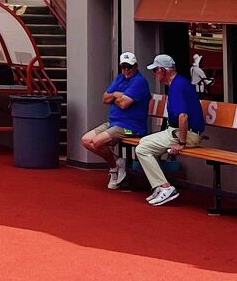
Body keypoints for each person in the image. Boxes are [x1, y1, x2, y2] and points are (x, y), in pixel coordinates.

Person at [135, 54, 203, 207]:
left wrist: (181, 143)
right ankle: (159, 186)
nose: (155, 74)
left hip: (184, 134)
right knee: (143, 142)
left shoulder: (177, 86)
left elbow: (183, 117)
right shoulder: (178, 83)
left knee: (142, 149)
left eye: (156, 70)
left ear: (163, 70)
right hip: (179, 131)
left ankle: (165, 187)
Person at [81, 51, 152, 188]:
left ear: (136, 66)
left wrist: (115, 98)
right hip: (114, 122)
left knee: (97, 142)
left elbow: (124, 104)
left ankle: (115, 167)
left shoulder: (139, 81)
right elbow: (105, 98)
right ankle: (117, 164)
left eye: (129, 67)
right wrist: (116, 94)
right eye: (123, 67)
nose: (126, 70)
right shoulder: (120, 78)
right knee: (86, 140)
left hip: (132, 127)